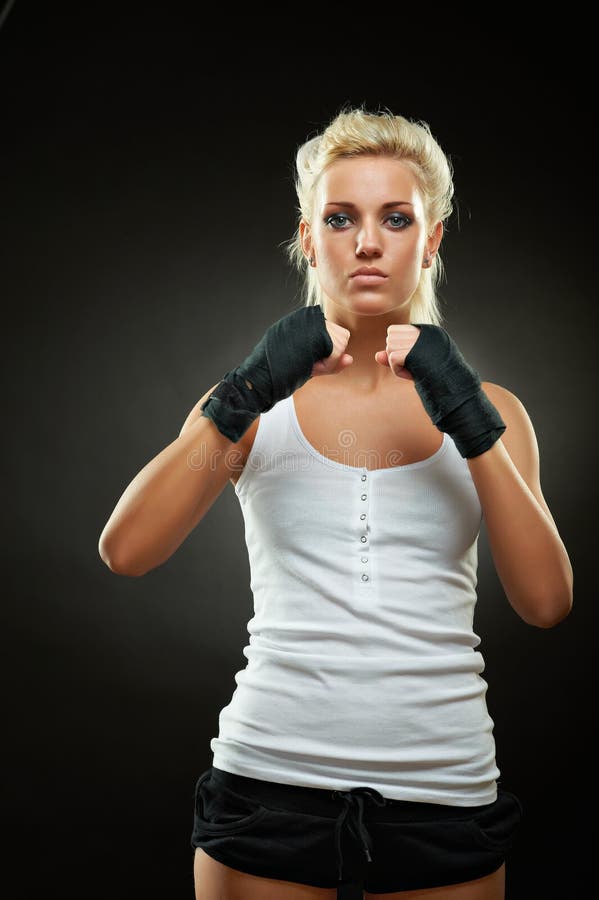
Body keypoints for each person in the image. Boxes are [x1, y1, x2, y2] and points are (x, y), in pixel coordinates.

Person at [98, 106, 574, 900]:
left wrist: (467, 414)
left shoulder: (494, 409)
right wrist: (243, 395)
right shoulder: (247, 408)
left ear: (431, 240)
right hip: (266, 783)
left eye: (395, 218)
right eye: (339, 217)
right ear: (307, 237)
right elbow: (126, 551)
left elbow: (545, 602)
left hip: (445, 786)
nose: (366, 241)